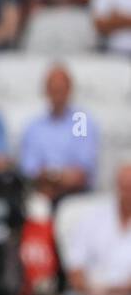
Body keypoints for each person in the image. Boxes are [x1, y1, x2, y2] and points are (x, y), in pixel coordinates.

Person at [19, 64, 99, 199]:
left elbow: (82, 172)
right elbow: (29, 170)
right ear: (46, 91)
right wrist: (58, 176)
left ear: (70, 90)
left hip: (75, 195)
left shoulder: (81, 121)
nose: (57, 96)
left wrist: (51, 176)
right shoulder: (34, 127)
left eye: (61, 90)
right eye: (53, 90)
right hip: (41, 193)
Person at [65, 163, 131, 295]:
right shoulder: (92, 218)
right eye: (124, 187)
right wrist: (88, 289)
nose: (127, 193)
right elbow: (75, 266)